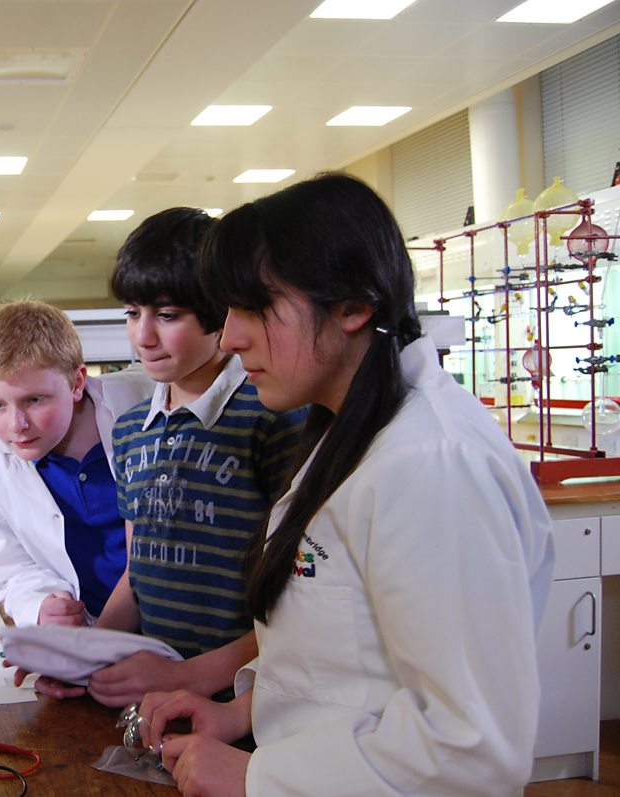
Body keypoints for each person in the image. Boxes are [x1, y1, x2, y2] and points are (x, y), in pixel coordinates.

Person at [138, 174, 555, 797]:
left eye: (255, 308)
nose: (230, 337)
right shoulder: (349, 433)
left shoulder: (430, 465)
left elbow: (471, 749)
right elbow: (345, 653)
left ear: (353, 308)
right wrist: (237, 715)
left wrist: (260, 775)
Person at [60, 207, 306, 710]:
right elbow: (139, 572)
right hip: (154, 698)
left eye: (168, 315)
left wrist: (192, 676)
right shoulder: (130, 433)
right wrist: (78, 659)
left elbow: (304, 602)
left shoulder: (270, 417)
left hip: (252, 702)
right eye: (133, 313)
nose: (143, 336)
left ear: (223, 314)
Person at [0, 300, 153, 627]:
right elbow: (7, 567)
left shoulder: (143, 404)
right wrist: (39, 606)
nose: (15, 424)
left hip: (176, 629)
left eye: (34, 400)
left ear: (77, 383)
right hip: (88, 630)